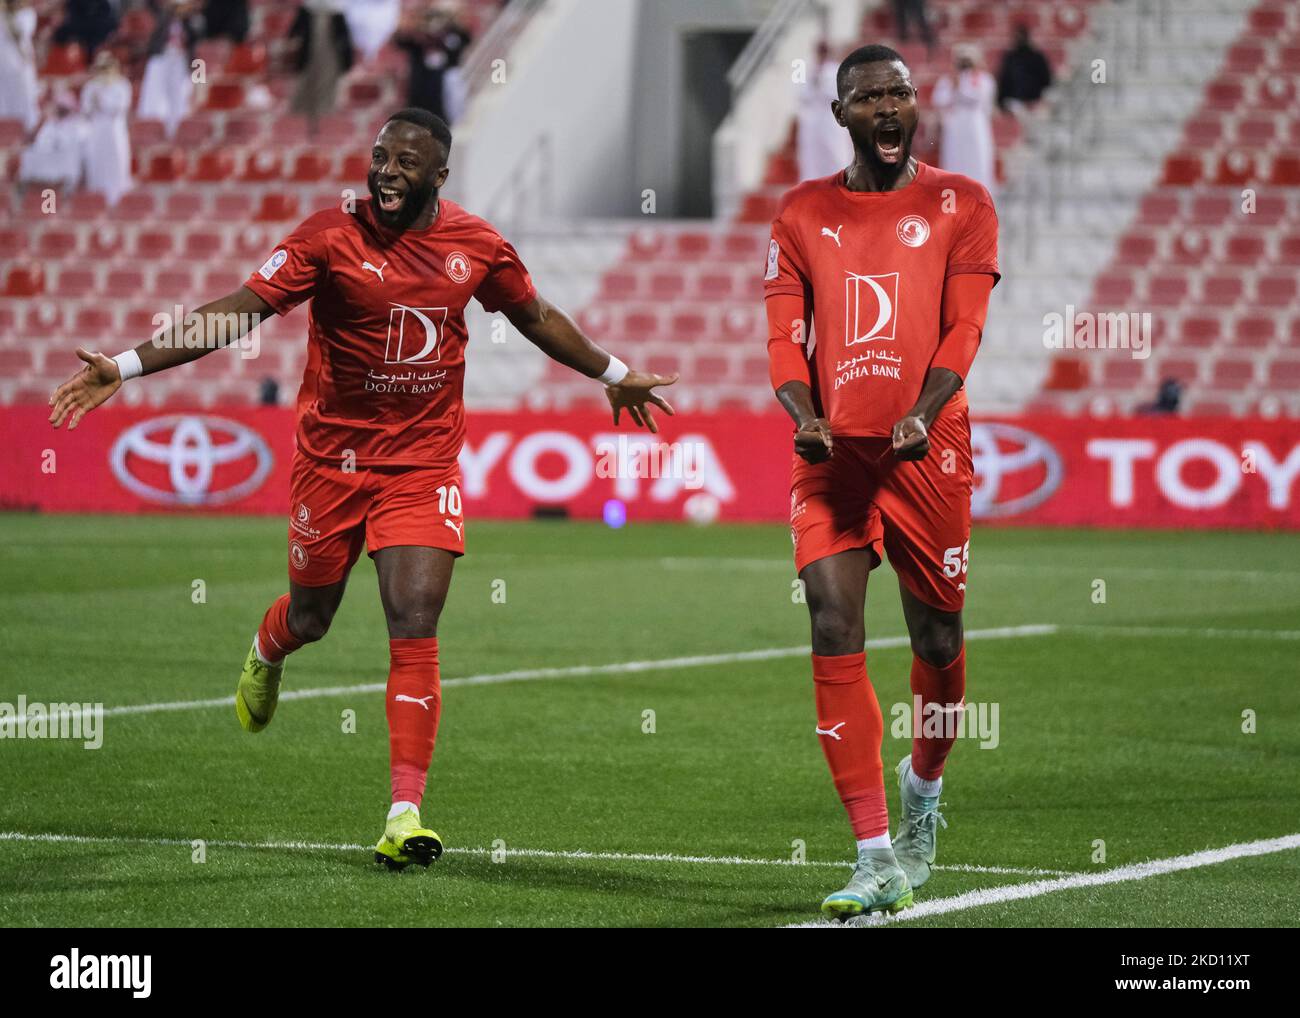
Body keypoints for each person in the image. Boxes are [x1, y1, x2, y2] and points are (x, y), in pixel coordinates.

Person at [48, 108, 678, 871]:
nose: (385, 172)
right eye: (379, 157)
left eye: (406, 163)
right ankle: (270, 643)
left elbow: (535, 314)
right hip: (331, 464)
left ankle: (403, 813)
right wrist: (128, 363)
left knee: (414, 619)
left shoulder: (476, 245)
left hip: (422, 464)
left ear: (439, 176)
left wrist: (611, 375)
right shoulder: (327, 237)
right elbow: (238, 311)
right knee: (313, 616)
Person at [763, 45, 999, 918]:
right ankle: (872, 855)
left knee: (938, 640)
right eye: (869, 96)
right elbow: (786, 340)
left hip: (927, 450)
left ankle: (925, 790)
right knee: (831, 621)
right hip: (830, 456)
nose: (890, 107)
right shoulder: (799, 212)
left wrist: (926, 411)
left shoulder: (961, 202)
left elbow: (965, 327)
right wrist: (802, 414)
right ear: (842, 116)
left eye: (900, 92)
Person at [931, 44, 996, 190]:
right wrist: (954, 86)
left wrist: (959, 88)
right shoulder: (948, 79)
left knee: (978, 160)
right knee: (955, 159)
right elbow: (939, 99)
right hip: (955, 124)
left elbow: (978, 98)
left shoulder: (984, 79)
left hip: (975, 123)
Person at [394, 1, 472, 123]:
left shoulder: (452, 36)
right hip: (424, 84)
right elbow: (401, 41)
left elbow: (464, 40)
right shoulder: (420, 42)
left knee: (452, 108)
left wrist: (453, 20)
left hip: (447, 79)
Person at [137, 0, 202, 139]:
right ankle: (153, 129)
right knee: (155, 94)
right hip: (163, 58)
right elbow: (150, 6)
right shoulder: (163, 19)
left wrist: (199, 81)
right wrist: (169, 12)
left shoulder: (192, 24)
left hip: (181, 62)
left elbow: (197, 55)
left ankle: (176, 131)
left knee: (180, 98)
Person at [288, 0, 354, 131]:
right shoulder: (307, 10)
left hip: (330, 56)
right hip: (309, 55)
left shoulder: (338, 12)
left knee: (326, 88)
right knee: (307, 86)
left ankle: (322, 125)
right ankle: (309, 124)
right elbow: (295, 32)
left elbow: (345, 39)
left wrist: (347, 61)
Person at [80, 49, 133, 206]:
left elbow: (119, 108)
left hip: (114, 129)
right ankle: (96, 192)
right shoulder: (91, 87)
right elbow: (86, 109)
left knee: (116, 158)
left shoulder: (122, 85)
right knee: (96, 158)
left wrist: (102, 101)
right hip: (97, 128)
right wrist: (95, 103)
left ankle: (117, 194)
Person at [795, 42, 853, 182]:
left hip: (831, 115)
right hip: (812, 117)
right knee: (810, 154)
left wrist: (821, 84)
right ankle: (810, 185)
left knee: (835, 151)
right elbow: (799, 92)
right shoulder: (803, 68)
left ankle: (842, 181)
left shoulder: (837, 69)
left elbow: (840, 93)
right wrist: (813, 83)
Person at [18, 88, 86, 191]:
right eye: (59, 107)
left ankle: (67, 192)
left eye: (64, 108)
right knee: (28, 155)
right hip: (49, 154)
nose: (61, 110)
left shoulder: (77, 123)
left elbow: (79, 141)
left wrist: (62, 144)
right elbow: (41, 141)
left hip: (68, 156)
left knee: (71, 161)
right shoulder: (51, 123)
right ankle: (26, 189)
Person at [996, 23, 1053, 117]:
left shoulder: (1037, 57)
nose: (1019, 39)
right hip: (1015, 103)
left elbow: (1046, 79)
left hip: (1034, 103)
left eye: (1021, 36)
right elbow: (1004, 80)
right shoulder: (1010, 58)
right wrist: (1002, 102)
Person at [0, 0, 39, 131]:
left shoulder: (27, 14)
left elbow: (19, 33)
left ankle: (29, 126)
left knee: (25, 92)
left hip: (20, 60)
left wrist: (7, 16)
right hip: (3, 59)